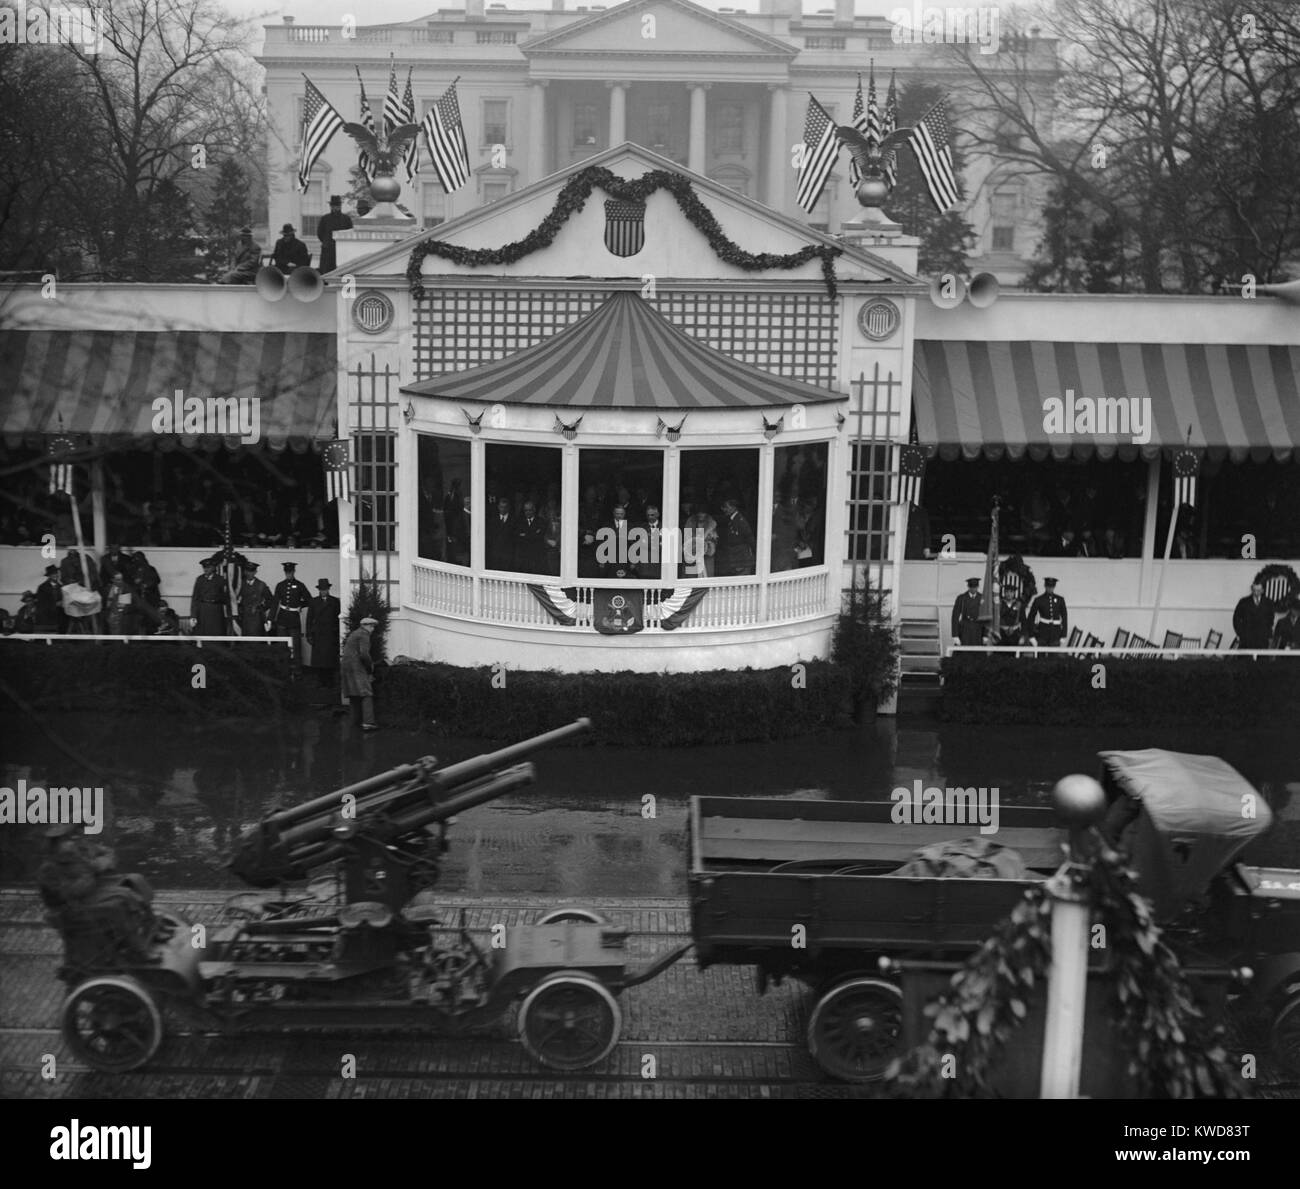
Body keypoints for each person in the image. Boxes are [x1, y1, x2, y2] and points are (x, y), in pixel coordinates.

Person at [341, 616, 379, 730]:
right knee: (366, 693)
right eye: (372, 626)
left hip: (346, 666)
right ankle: (368, 722)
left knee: (354, 693)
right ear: (366, 626)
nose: (373, 629)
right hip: (357, 666)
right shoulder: (364, 635)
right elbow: (364, 654)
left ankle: (353, 722)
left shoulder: (354, 634)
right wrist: (369, 668)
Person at [272, 561, 312, 671]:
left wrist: (300, 605)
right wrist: (270, 619)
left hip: (294, 619)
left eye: (290, 572)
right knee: (282, 646)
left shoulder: (300, 585)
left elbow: (309, 600)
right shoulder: (280, 585)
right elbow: (275, 603)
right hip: (282, 619)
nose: (288, 574)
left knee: (296, 646)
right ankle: (283, 669)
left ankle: (297, 670)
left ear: (294, 572)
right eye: (286, 572)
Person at [305, 579, 342, 689]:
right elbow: (309, 619)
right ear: (319, 590)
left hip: (331, 634)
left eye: (325, 589)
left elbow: (338, 618)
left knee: (330, 660)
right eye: (322, 589)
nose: (323, 591)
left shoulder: (335, 601)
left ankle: (330, 682)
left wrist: (338, 633)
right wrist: (309, 634)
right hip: (318, 634)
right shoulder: (314, 601)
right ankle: (320, 682)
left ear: (328, 589)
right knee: (318, 661)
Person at [717, 497, 755, 577]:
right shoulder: (732, 520)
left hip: (742, 559)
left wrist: (755, 555)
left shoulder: (740, 521)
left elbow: (750, 539)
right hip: (736, 559)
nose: (723, 509)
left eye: (726, 507)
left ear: (733, 507)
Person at [681, 495, 717, 579]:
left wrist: (708, 544)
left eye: (703, 512)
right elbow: (687, 541)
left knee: (706, 581)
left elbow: (714, 540)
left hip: (706, 557)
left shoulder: (711, 523)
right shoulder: (690, 522)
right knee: (691, 581)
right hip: (692, 556)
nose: (701, 515)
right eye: (699, 512)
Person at [190, 557, 228, 636]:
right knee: (203, 632)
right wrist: (193, 615)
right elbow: (195, 598)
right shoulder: (200, 579)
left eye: (208, 567)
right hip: (203, 609)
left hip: (216, 609)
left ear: (214, 568)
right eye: (204, 567)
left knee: (216, 631)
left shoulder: (220, 579)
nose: (206, 569)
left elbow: (225, 596)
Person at [315, 195, 353, 274]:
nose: (335, 208)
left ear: (340, 206)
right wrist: (326, 242)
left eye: (337, 206)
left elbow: (350, 232)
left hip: (342, 250)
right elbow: (320, 233)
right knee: (326, 271)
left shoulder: (346, 219)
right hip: (328, 250)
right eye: (333, 206)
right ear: (331, 206)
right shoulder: (325, 219)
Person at [1027, 577, 1069, 646]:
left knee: (1053, 655)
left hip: (1056, 633)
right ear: (1045, 586)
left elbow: (1064, 617)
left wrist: (1064, 635)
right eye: (1048, 586)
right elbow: (1031, 617)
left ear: (1054, 587)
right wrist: (1031, 636)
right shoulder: (1039, 600)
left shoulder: (1060, 600)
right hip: (1042, 632)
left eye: (1052, 586)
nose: (1050, 588)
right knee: (1041, 655)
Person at [1233, 581, 1275, 650]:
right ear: (1252, 590)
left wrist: (1268, 634)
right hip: (1247, 639)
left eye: (1258, 591)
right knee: (1245, 659)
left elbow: (1270, 620)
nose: (1256, 593)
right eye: (1254, 590)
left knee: (1262, 660)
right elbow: (1236, 619)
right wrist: (1241, 634)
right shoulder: (1244, 602)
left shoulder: (1268, 603)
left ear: (1262, 590)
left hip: (1262, 639)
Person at [238, 561, 272, 636]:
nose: (250, 574)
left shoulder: (261, 585)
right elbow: (236, 599)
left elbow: (270, 600)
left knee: (256, 638)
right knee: (245, 638)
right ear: (245, 572)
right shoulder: (240, 584)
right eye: (248, 571)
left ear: (255, 572)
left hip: (257, 617)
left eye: (252, 571)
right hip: (244, 617)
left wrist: (261, 608)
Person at [951, 577, 985, 646]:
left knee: (977, 653)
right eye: (971, 587)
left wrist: (986, 634)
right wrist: (955, 635)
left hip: (978, 629)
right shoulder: (961, 598)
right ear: (968, 587)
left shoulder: (982, 598)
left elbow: (986, 617)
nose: (973, 589)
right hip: (965, 629)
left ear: (978, 587)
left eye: (975, 587)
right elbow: (955, 617)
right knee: (963, 653)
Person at [486, 496, 515, 570]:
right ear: (498, 507)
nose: (503, 509)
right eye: (501, 507)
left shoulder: (513, 520)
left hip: (508, 553)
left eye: (505, 507)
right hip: (495, 553)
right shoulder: (493, 520)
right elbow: (490, 536)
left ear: (508, 508)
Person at [34, 564, 63, 633]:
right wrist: (55, 604)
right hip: (46, 616)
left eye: (56, 573)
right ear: (49, 576)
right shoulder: (42, 587)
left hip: (58, 615)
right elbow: (41, 603)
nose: (55, 575)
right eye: (53, 574)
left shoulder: (61, 586)